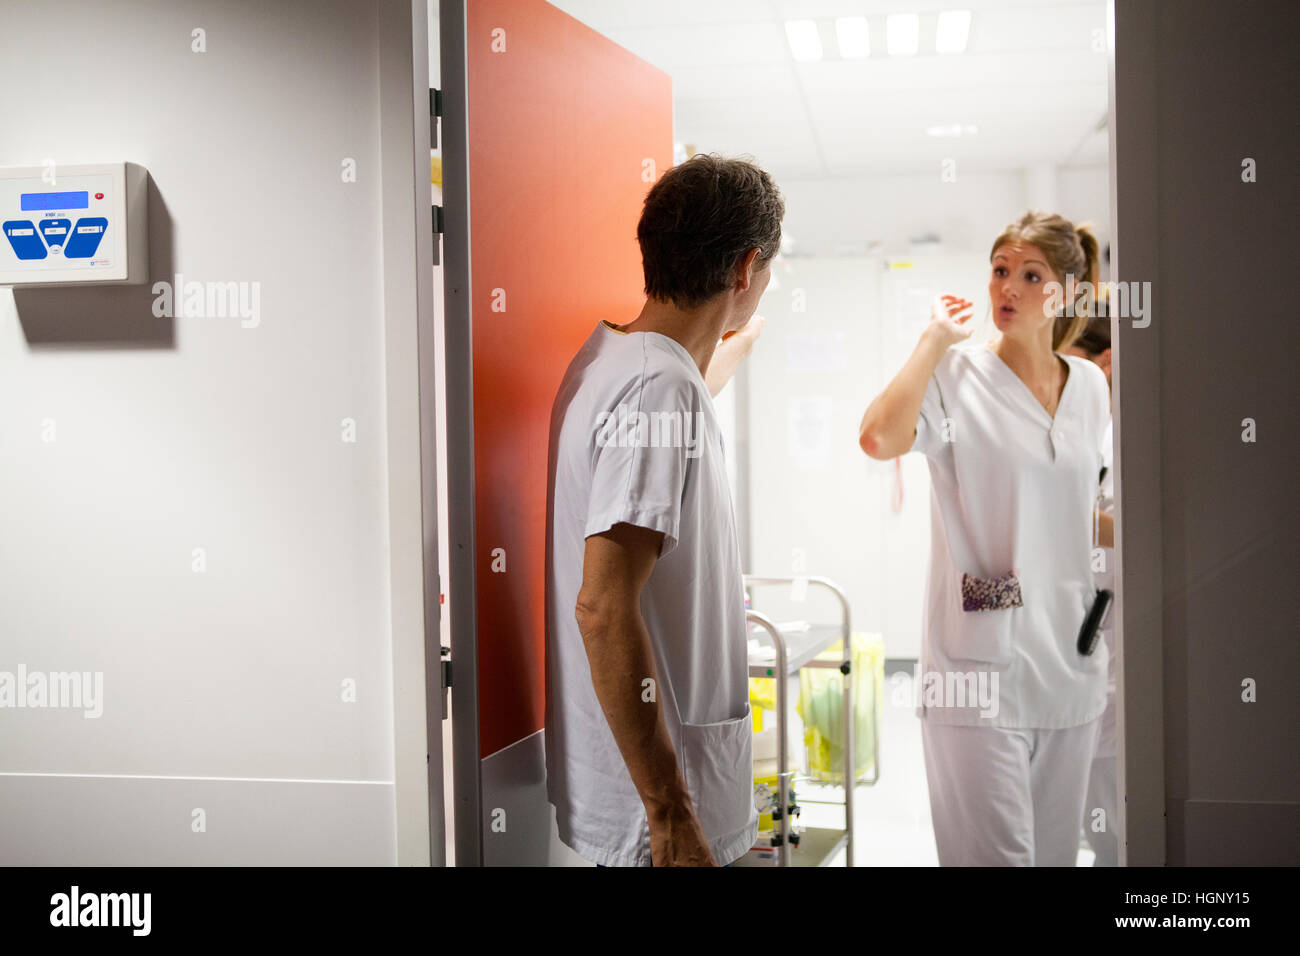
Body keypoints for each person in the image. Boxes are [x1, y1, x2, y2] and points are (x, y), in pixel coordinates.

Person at [544, 154, 783, 867]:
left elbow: (677, 402)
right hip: (662, 818)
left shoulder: (620, 364)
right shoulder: (658, 390)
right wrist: (671, 814)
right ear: (746, 270)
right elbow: (603, 607)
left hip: (642, 795)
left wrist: (737, 343)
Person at [858, 210, 1114, 866]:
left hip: (1071, 667)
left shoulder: (1088, 386)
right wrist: (932, 341)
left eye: (1031, 275)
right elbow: (878, 438)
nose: (1009, 287)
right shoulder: (957, 376)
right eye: (1001, 271)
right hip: (977, 678)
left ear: (1069, 293)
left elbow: (1086, 506)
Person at [1060, 308, 1117, 866]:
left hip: (1111, 641)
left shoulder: (1128, 437)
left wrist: (1058, 505)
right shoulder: (1091, 430)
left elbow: (1132, 526)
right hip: (1078, 637)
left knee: (1108, 815)